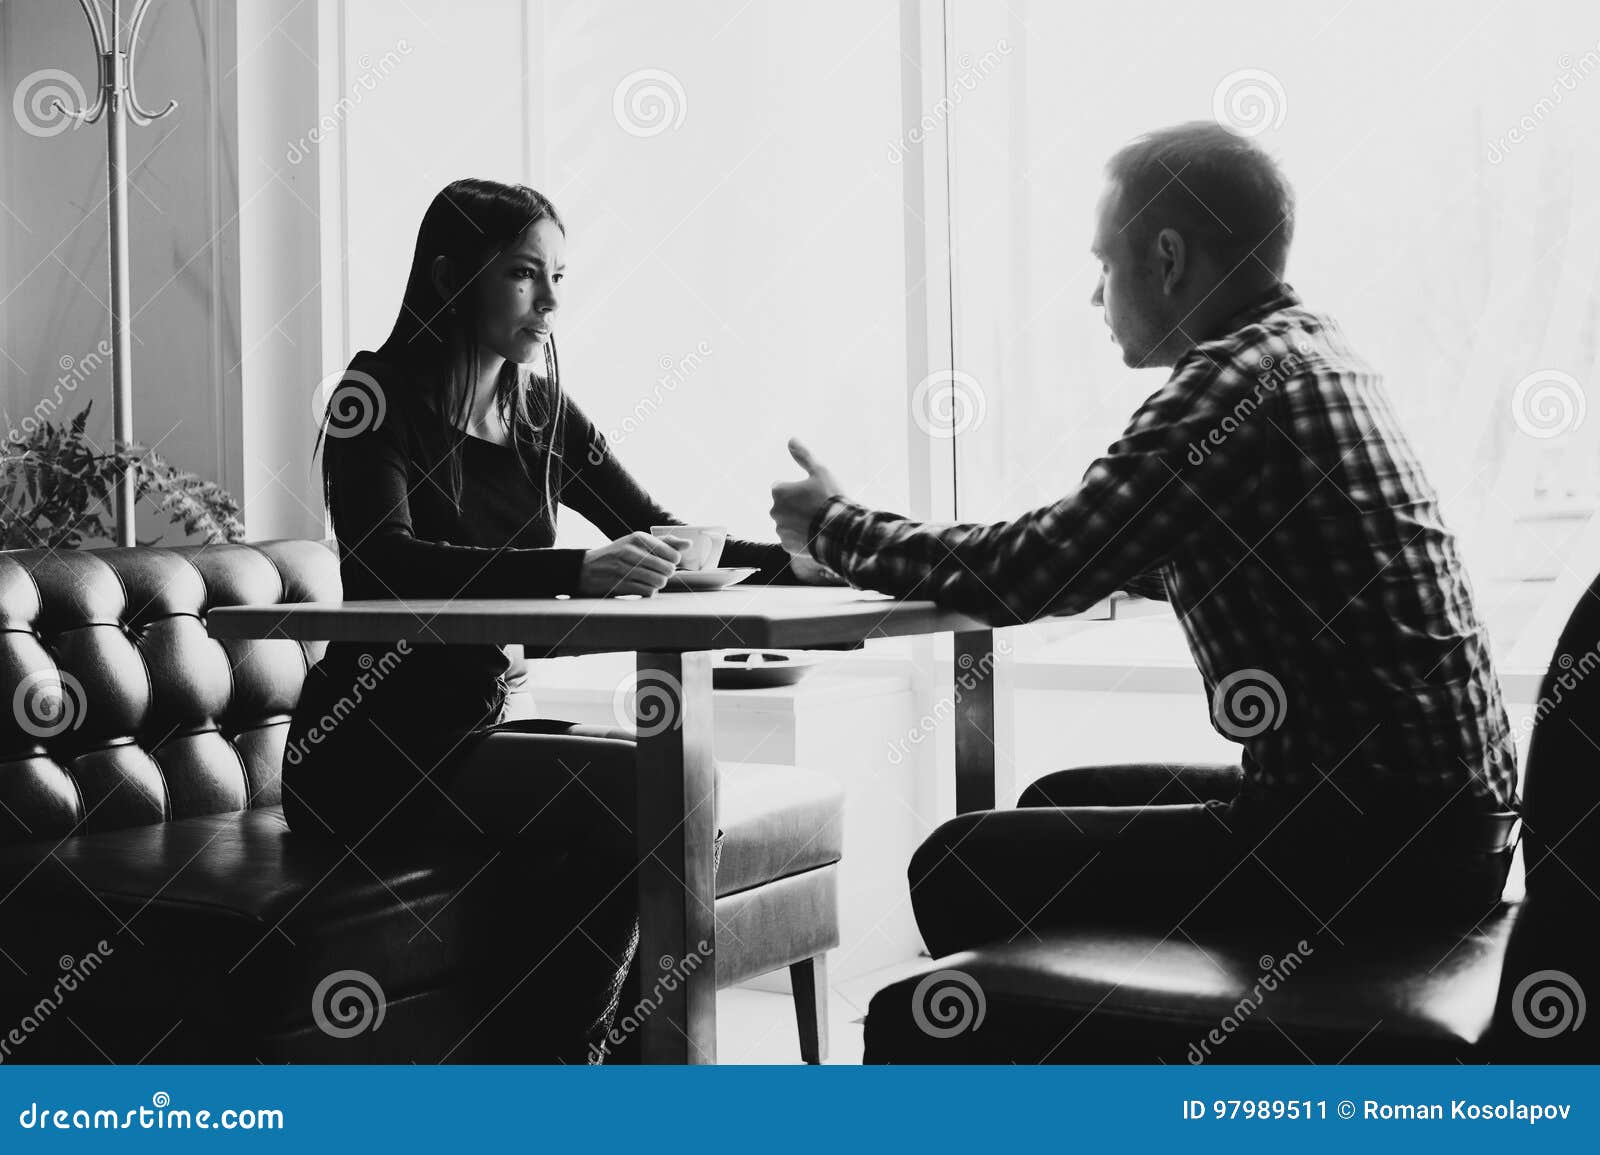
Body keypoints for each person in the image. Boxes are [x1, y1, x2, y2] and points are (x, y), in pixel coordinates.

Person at [769, 122, 1521, 956]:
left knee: (958, 865)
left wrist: (832, 526)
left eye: (1103, 263)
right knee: (1051, 802)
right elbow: (1218, 550)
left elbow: (1027, 573)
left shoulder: (1231, 381)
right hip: (1445, 832)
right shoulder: (1316, 350)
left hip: (1364, 850)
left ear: (1166, 258)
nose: (1095, 296)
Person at [284, 178, 835, 1062]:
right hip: (368, 748)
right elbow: (385, 566)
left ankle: (580, 1071)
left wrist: (807, 559)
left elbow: (660, 535)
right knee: (653, 789)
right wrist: (576, 570)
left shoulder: (540, 409)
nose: (550, 302)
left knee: (658, 787)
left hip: (475, 726)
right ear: (447, 276)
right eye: (523, 275)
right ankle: (597, 1075)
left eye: (558, 277)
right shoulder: (374, 394)